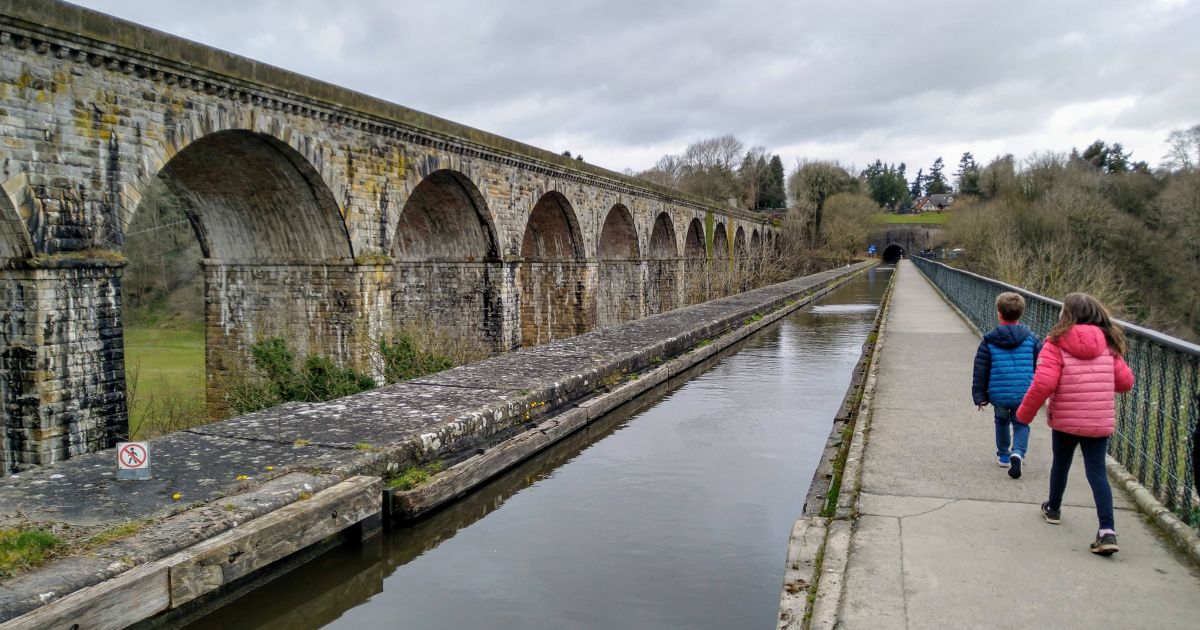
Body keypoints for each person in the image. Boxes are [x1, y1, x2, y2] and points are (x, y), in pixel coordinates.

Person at [1016, 293, 1134, 556]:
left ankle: (1054, 508)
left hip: (1067, 417)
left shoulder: (1055, 343)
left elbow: (1043, 384)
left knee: (1061, 462)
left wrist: (1024, 415)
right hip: (1098, 419)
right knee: (1097, 472)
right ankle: (1107, 531)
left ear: (1067, 315)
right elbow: (1125, 383)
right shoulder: (1108, 343)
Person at [972, 292, 1041, 478]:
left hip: (999, 394)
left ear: (999, 314)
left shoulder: (989, 340)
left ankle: (1004, 455)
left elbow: (980, 369)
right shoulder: (1031, 339)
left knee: (1001, 422)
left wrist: (980, 396)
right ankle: (1018, 452)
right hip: (1024, 393)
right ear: (1021, 314)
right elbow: (1040, 364)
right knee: (1022, 423)